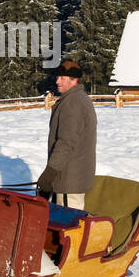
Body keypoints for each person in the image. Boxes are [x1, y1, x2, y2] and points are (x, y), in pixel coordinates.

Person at [36, 58, 96, 210]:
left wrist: (50, 173)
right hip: (69, 177)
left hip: (69, 181)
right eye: (57, 77)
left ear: (74, 80)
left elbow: (66, 142)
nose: (57, 82)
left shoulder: (72, 103)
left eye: (62, 78)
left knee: (69, 228)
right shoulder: (77, 99)